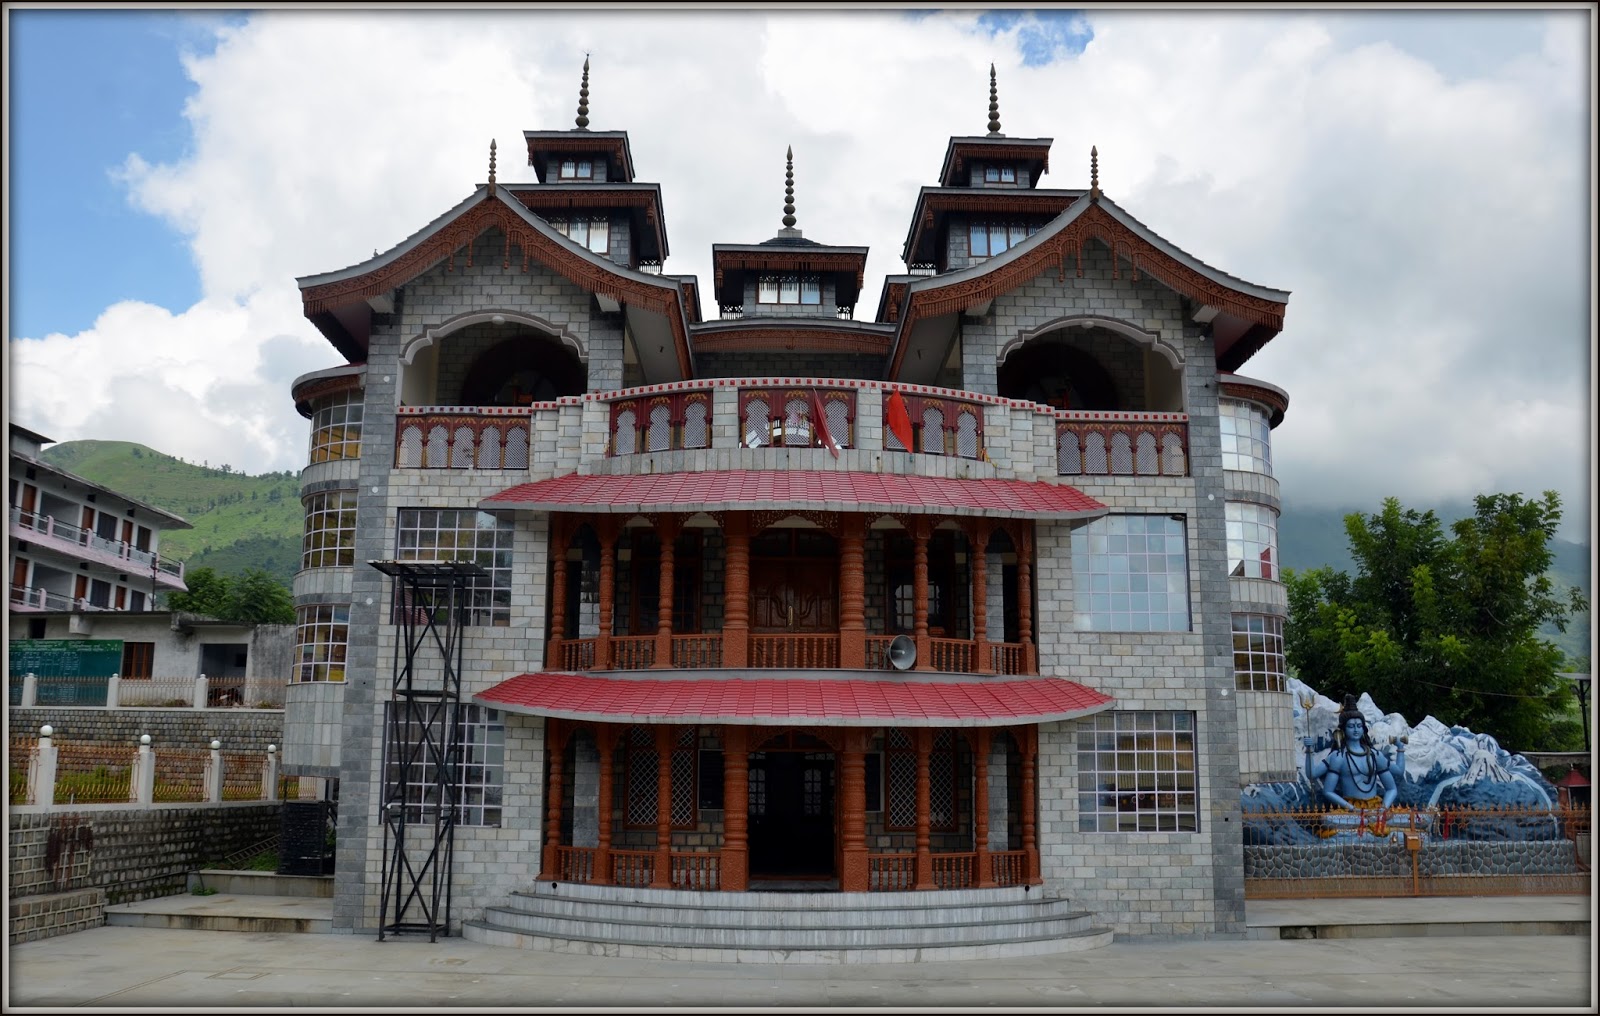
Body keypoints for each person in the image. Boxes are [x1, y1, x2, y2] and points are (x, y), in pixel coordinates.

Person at [1303, 694, 1407, 834]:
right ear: (1343, 730)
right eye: (1351, 726)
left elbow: (1394, 782)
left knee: (1410, 818)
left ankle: (1373, 822)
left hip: (1377, 809)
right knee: (1328, 820)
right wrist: (1309, 751)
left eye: (1359, 726)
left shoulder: (1374, 755)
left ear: (1364, 729)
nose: (1356, 730)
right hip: (1351, 811)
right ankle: (1367, 824)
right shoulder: (1338, 757)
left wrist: (1383, 808)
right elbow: (1315, 777)